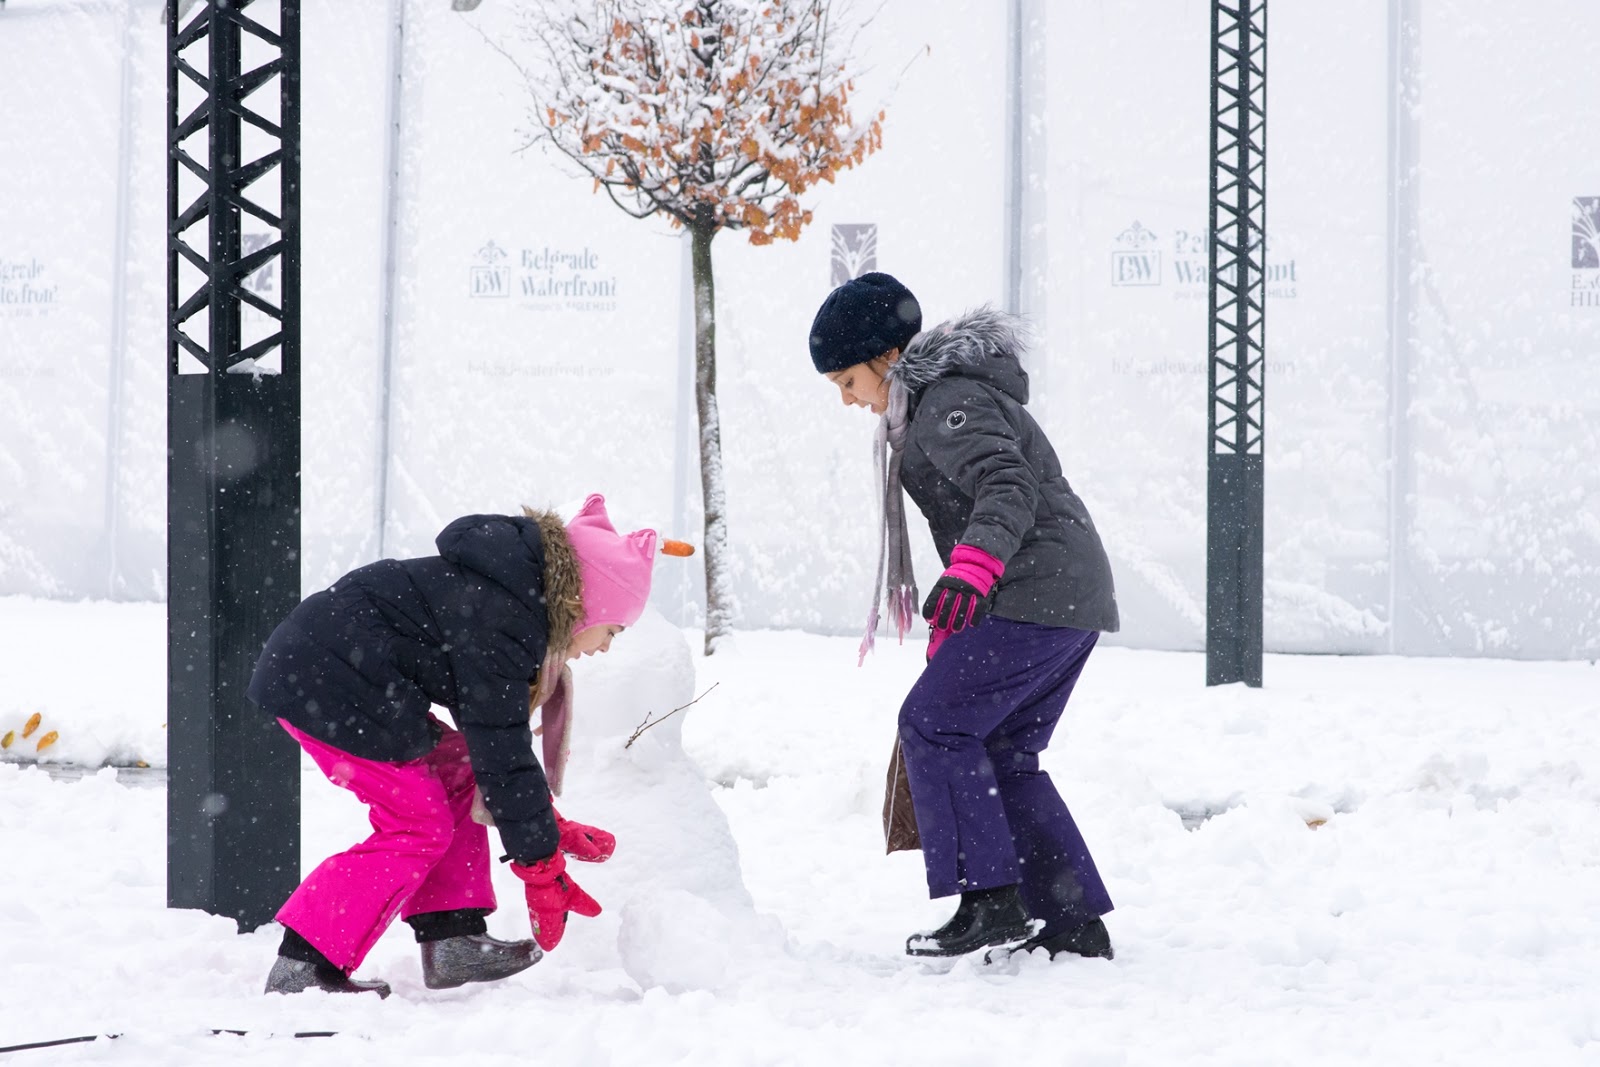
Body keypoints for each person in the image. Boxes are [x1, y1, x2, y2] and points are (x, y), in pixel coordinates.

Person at [808, 272, 1120, 961]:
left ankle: (990, 899)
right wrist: (962, 607)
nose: (847, 399)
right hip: (1063, 595)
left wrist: (975, 567)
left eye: (847, 380)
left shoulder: (947, 402)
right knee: (1005, 750)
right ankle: (1071, 920)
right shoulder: (941, 402)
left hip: (1036, 590)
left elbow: (1005, 484)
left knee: (935, 723)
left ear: (886, 359)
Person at [249, 494, 657, 996]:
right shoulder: (508, 616)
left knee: (461, 767)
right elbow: (502, 748)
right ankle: (304, 964)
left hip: (351, 680)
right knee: (417, 825)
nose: (605, 647)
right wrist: (540, 862)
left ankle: (452, 936)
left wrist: (543, 824)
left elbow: (493, 751)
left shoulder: (510, 594)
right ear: (588, 603)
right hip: (330, 686)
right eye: (613, 630)